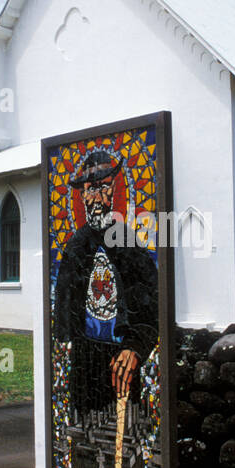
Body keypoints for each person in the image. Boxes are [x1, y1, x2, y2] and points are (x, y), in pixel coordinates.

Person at [52, 148, 159, 417]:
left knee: (124, 425)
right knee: (85, 427)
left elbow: (151, 308)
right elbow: (63, 310)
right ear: (81, 196)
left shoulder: (128, 244)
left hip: (120, 357)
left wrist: (135, 346)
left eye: (103, 187)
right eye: (89, 189)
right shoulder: (75, 248)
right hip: (84, 357)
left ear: (114, 192)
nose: (96, 197)